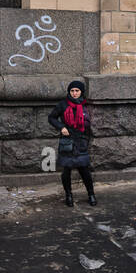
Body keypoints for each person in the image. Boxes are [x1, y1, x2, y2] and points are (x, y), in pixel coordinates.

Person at [52, 79, 96, 207]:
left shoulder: (85, 105)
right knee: (66, 170)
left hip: (81, 141)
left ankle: (91, 194)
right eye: (72, 91)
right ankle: (68, 195)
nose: (74, 93)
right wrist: (61, 127)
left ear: (81, 92)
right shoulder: (63, 104)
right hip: (67, 142)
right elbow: (52, 117)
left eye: (77, 91)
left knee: (84, 170)